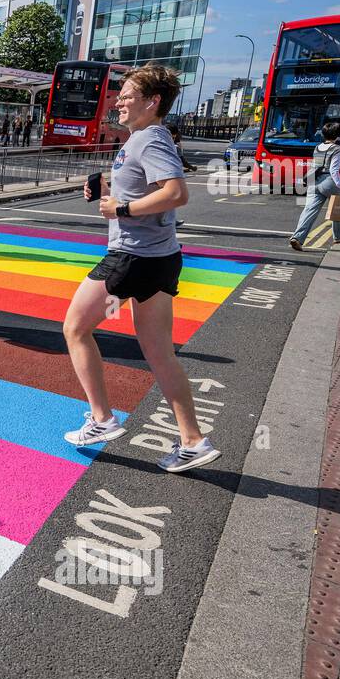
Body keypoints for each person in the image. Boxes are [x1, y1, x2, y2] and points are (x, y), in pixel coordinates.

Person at [61, 64, 219, 474]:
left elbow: (176, 192)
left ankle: (101, 420)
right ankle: (193, 441)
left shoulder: (149, 139)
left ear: (152, 103)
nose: (119, 101)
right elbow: (149, 190)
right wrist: (107, 190)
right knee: (159, 352)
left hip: (132, 256)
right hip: (160, 257)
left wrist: (122, 208)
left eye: (128, 95)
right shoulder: (144, 139)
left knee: (75, 328)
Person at [289, 120, 340, 251]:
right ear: (338, 135)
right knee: (339, 208)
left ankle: (297, 237)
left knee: (309, 210)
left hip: (314, 181)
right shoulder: (338, 149)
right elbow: (334, 170)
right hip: (329, 181)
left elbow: (315, 166)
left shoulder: (317, 147)